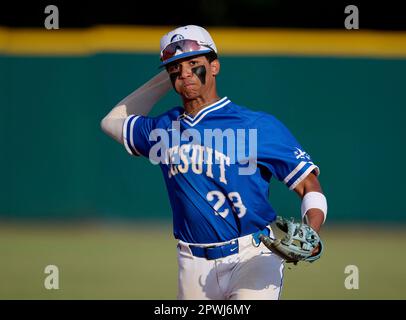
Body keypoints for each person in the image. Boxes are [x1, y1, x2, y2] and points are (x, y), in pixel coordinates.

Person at [101, 25, 327, 300]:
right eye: (175, 67)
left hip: (253, 256)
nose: (184, 72)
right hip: (192, 262)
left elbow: (308, 184)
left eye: (194, 64)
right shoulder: (163, 129)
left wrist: (311, 230)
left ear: (215, 66)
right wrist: (168, 75)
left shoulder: (257, 126)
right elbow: (111, 123)